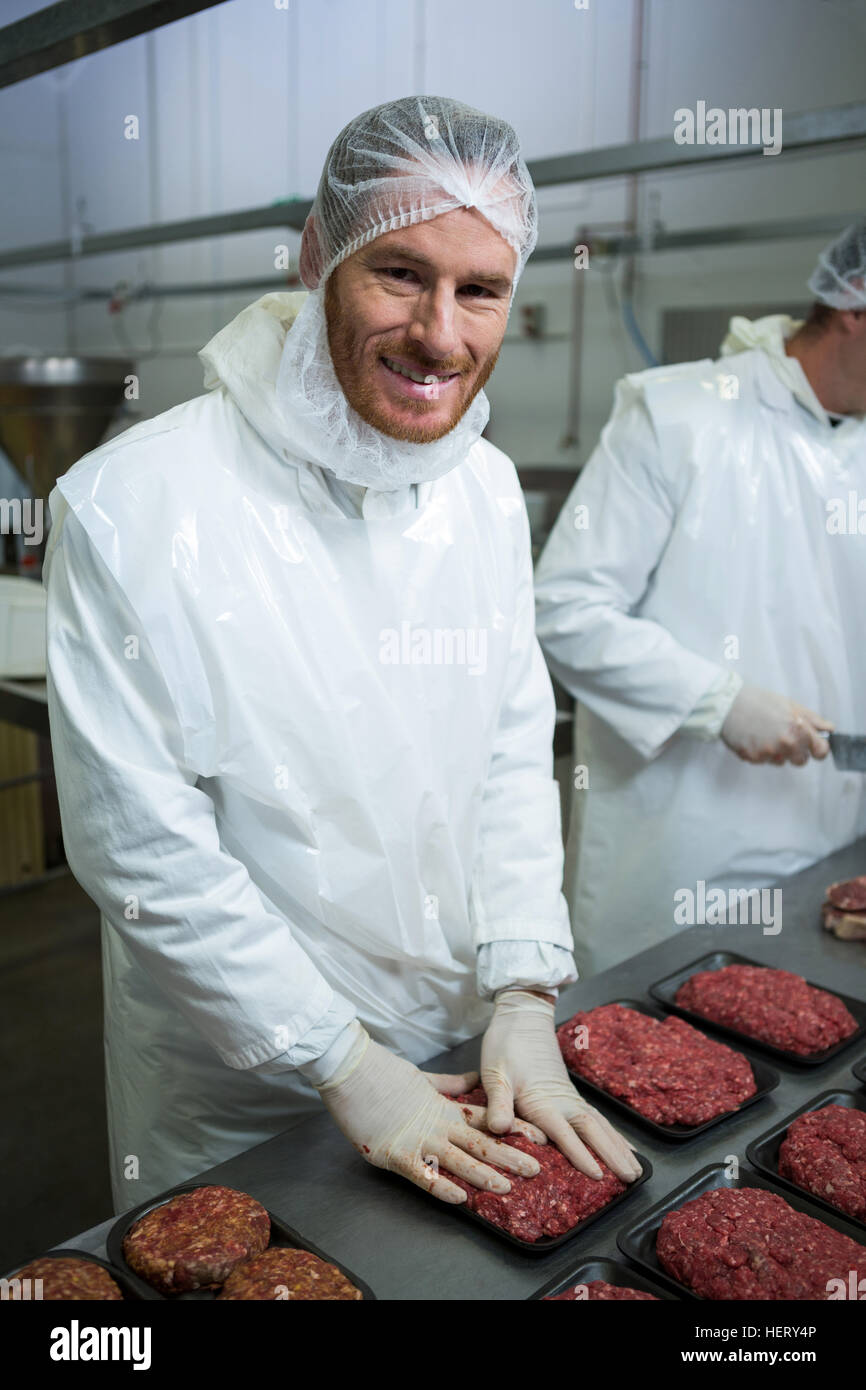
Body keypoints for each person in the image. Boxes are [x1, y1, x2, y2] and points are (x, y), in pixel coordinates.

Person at [44, 95, 640, 1214]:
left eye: (481, 289)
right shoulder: (134, 505)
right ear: (318, 256)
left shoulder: (483, 491)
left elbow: (512, 751)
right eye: (400, 274)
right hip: (235, 1078)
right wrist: (341, 1061)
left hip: (463, 1048)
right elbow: (145, 850)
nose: (441, 335)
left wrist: (518, 985)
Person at [534, 219, 866, 977]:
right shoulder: (675, 415)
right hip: (684, 863)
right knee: (659, 1067)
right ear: (854, 306)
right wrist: (716, 700)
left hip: (833, 855)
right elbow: (567, 609)